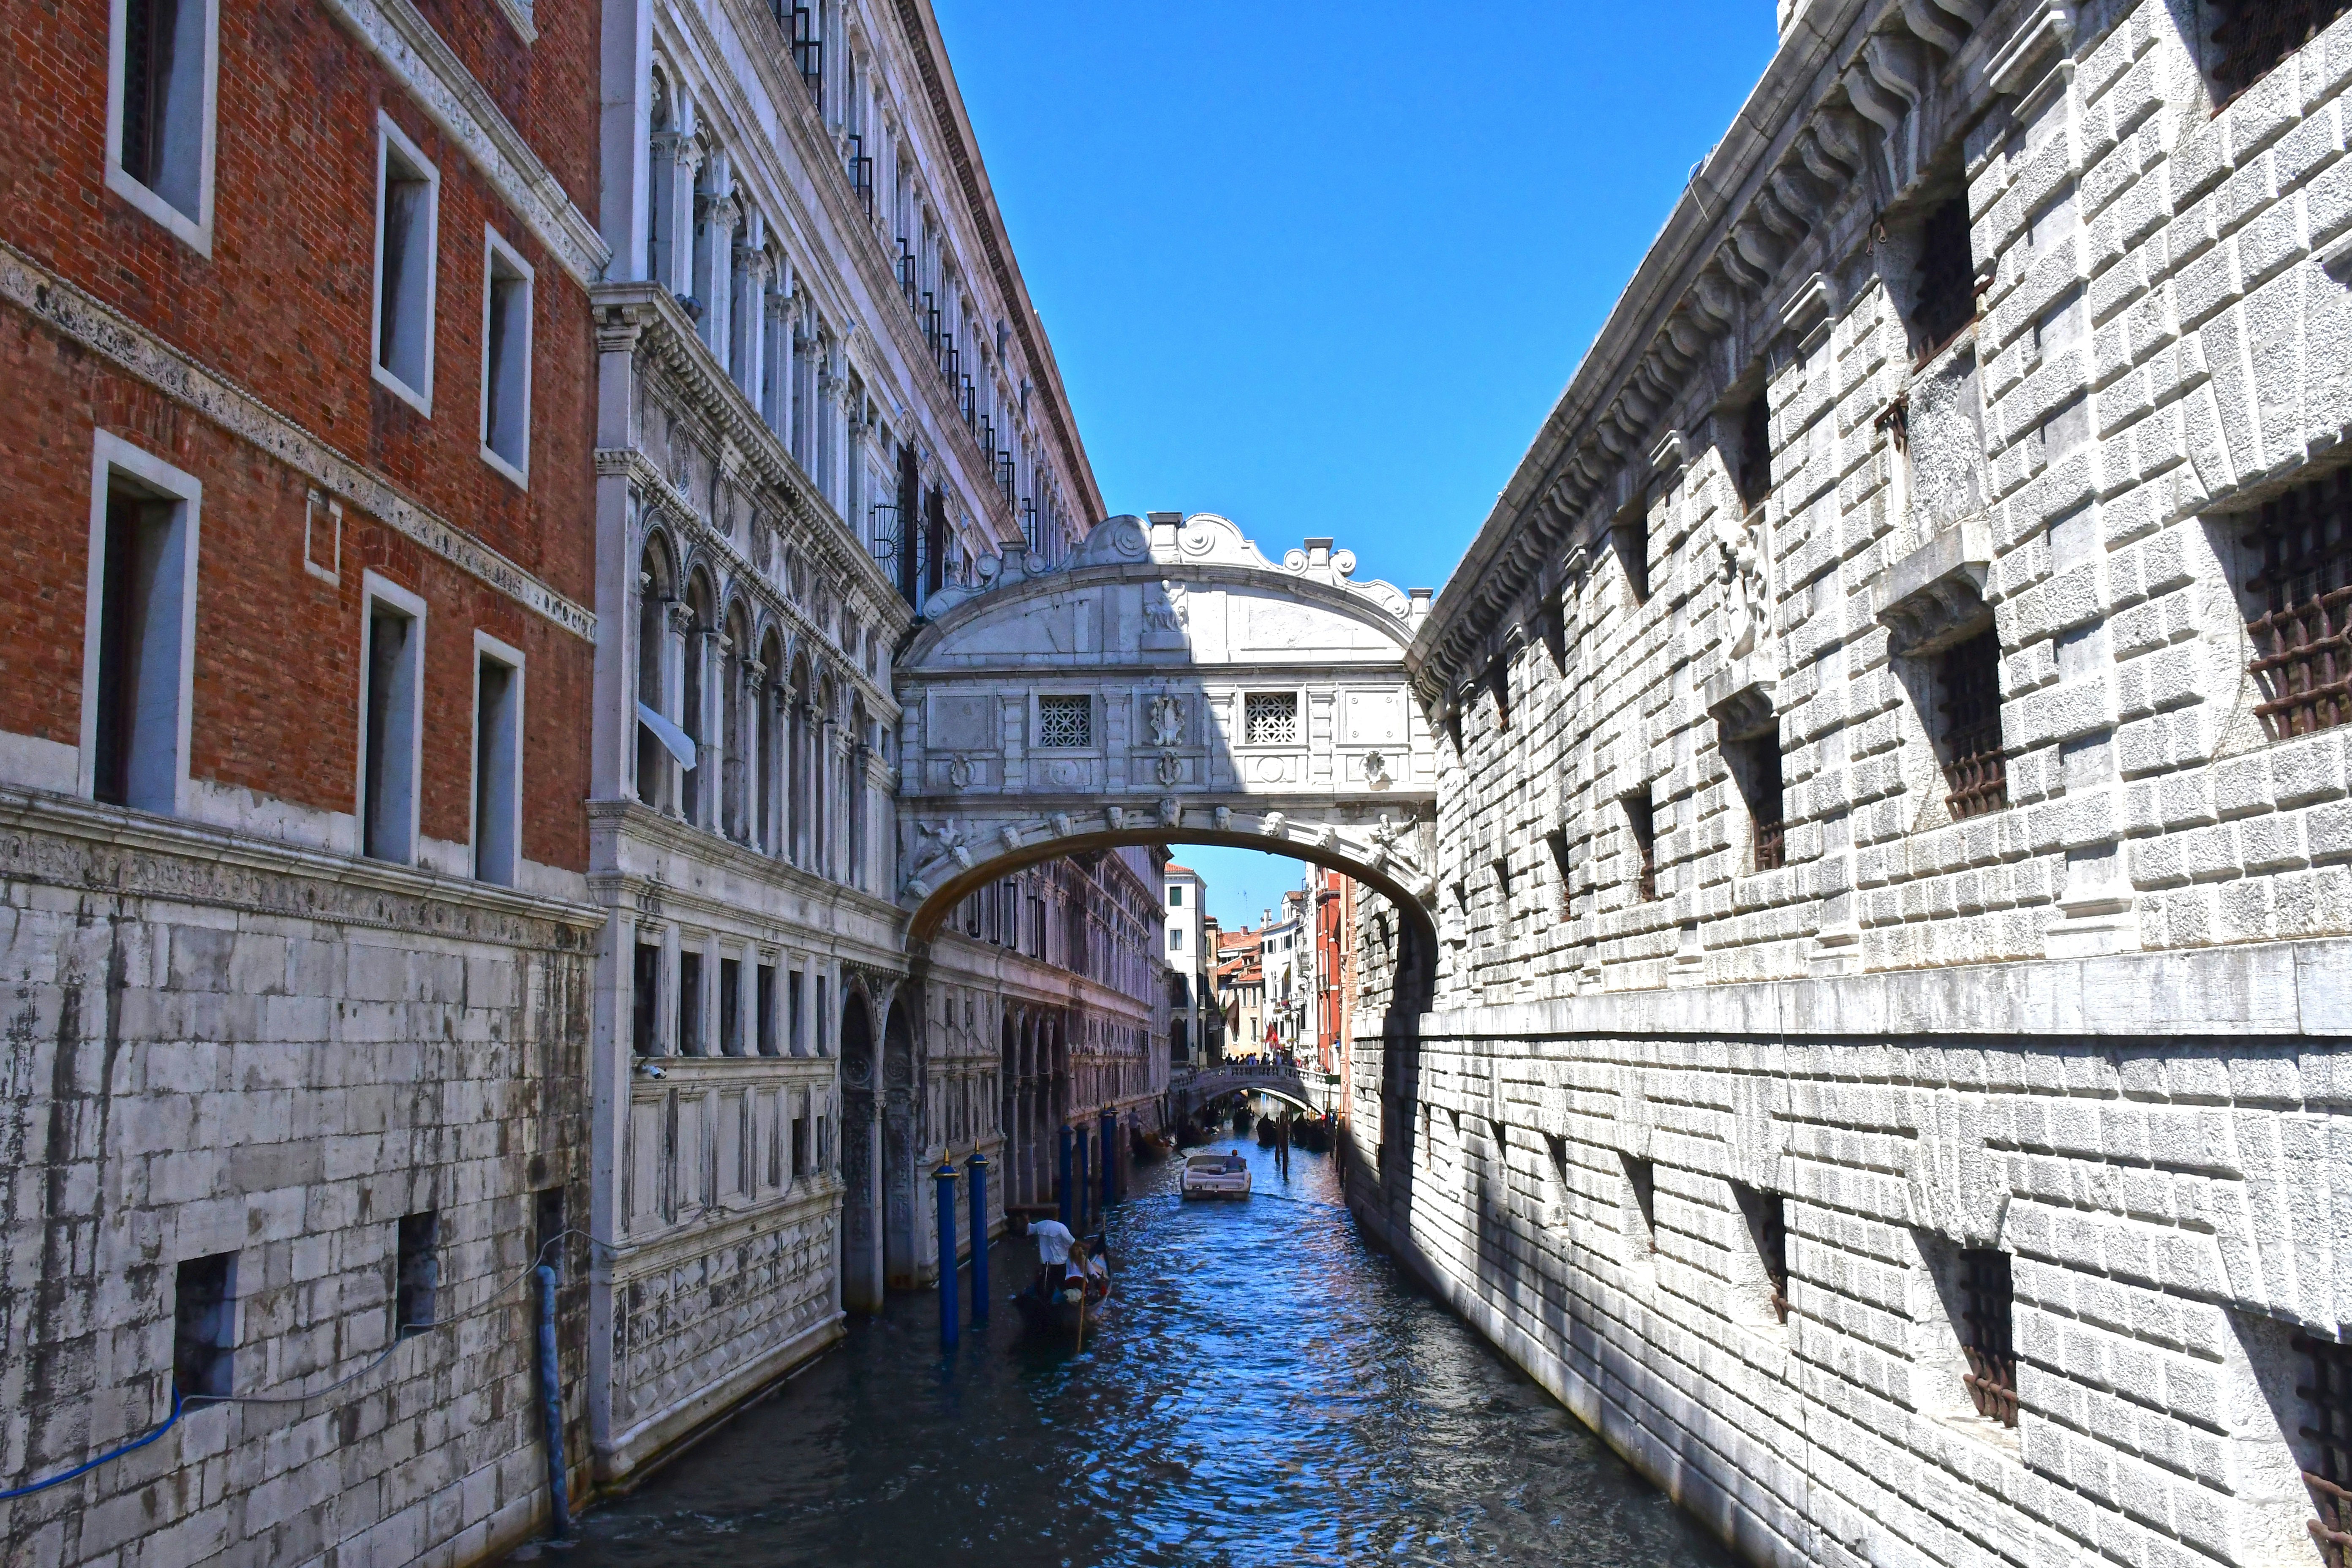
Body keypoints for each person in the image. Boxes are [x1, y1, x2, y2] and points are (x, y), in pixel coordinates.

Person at [1028, 1217, 1074, 1296]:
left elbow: (1030, 1228)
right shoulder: (1061, 1228)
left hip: (1045, 1263)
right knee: (1059, 1286)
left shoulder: (1040, 1225)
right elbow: (1071, 1241)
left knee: (1046, 1284)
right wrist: (1085, 1246)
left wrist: (1027, 1220)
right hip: (1059, 1263)